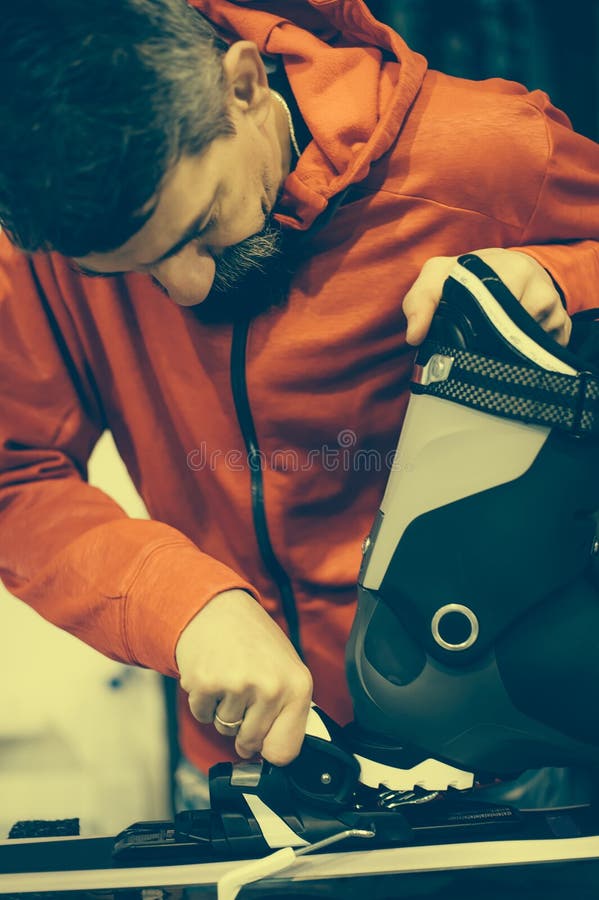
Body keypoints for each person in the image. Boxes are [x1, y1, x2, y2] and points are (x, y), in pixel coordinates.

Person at [1, 0, 598, 808]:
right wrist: (184, 608)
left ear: (243, 86)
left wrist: (565, 281)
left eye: (202, 228)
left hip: (501, 758)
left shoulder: (484, 154)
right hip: (243, 767)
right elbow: (14, 475)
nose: (186, 287)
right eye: (124, 274)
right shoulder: (53, 226)